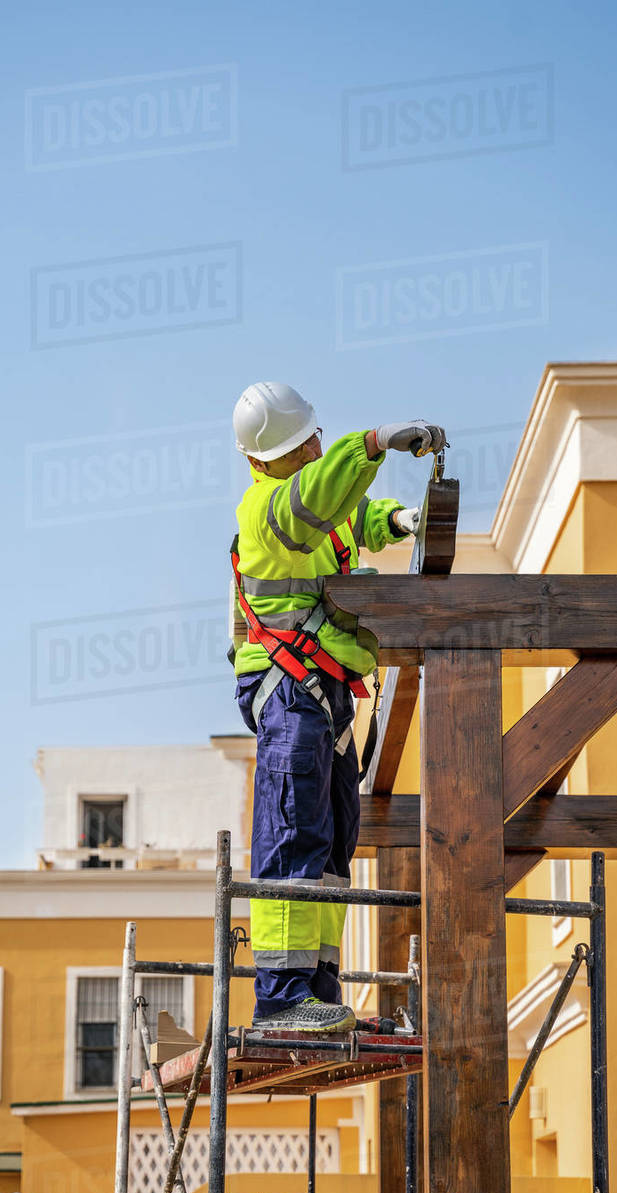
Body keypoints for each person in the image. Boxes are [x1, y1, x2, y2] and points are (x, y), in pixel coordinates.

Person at [230, 381, 445, 1032]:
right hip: (288, 689)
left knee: (329, 847)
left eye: (317, 437)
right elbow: (321, 498)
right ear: (273, 460)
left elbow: (353, 518)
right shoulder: (269, 510)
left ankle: (315, 992)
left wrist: (400, 521)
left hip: (321, 695)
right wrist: (374, 443)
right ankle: (281, 999)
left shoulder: (312, 511)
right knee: (293, 834)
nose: (318, 447)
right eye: (307, 443)